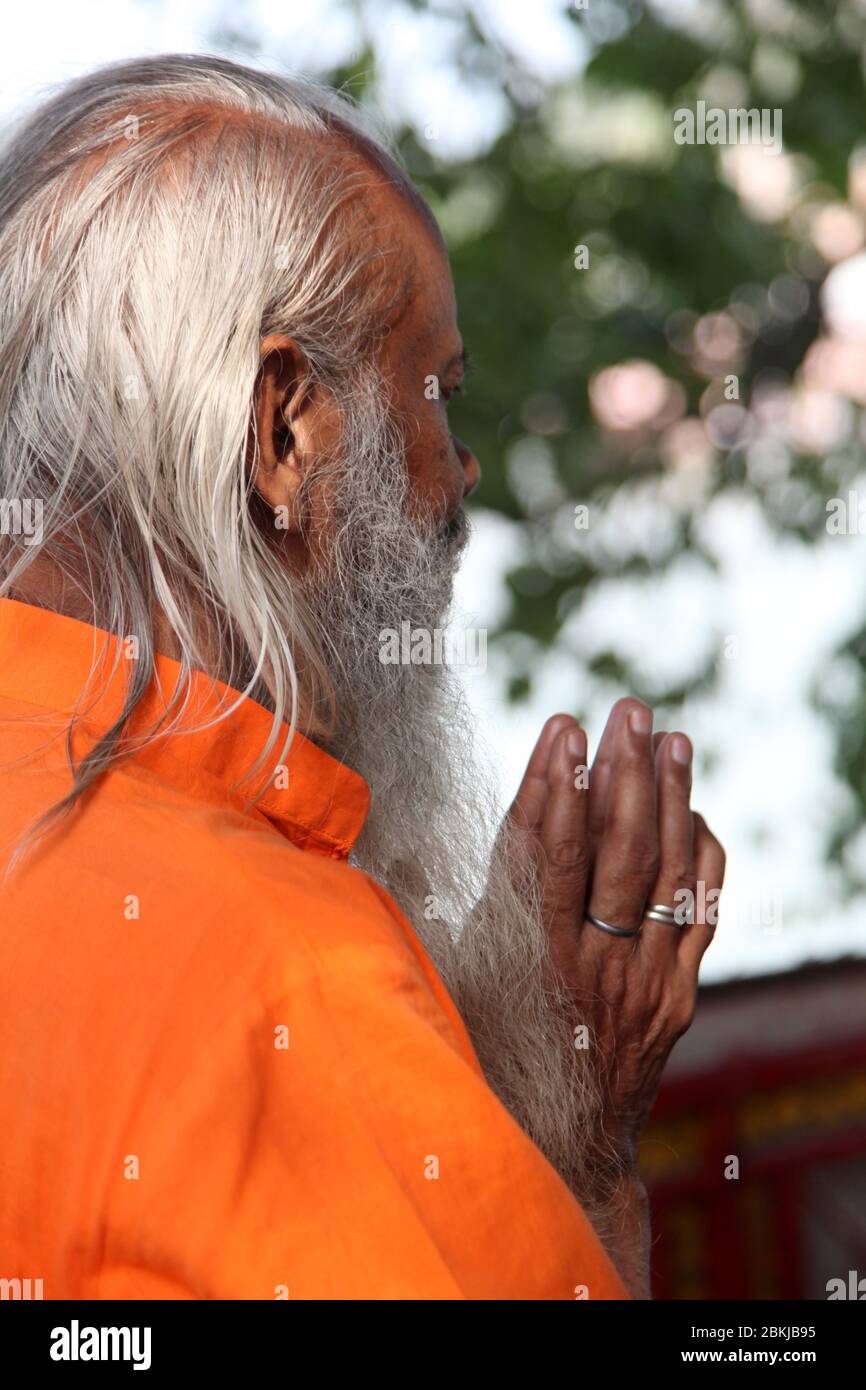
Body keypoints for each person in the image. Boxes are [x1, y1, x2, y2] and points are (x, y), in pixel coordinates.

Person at [0, 54, 725, 1300]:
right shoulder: (280, 983)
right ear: (283, 429)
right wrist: (581, 1155)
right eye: (435, 392)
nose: (464, 472)